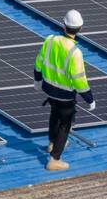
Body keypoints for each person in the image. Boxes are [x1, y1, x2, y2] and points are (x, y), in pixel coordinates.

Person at [35, 9, 95, 171]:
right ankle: (54, 159)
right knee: (64, 125)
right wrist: (89, 99)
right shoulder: (75, 53)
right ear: (80, 28)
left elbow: (39, 62)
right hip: (65, 95)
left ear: (63, 25)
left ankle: (52, 143)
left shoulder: (50, 40)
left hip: (48, 89)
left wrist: (37, 80)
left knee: (54, 115)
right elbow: (79, 80)